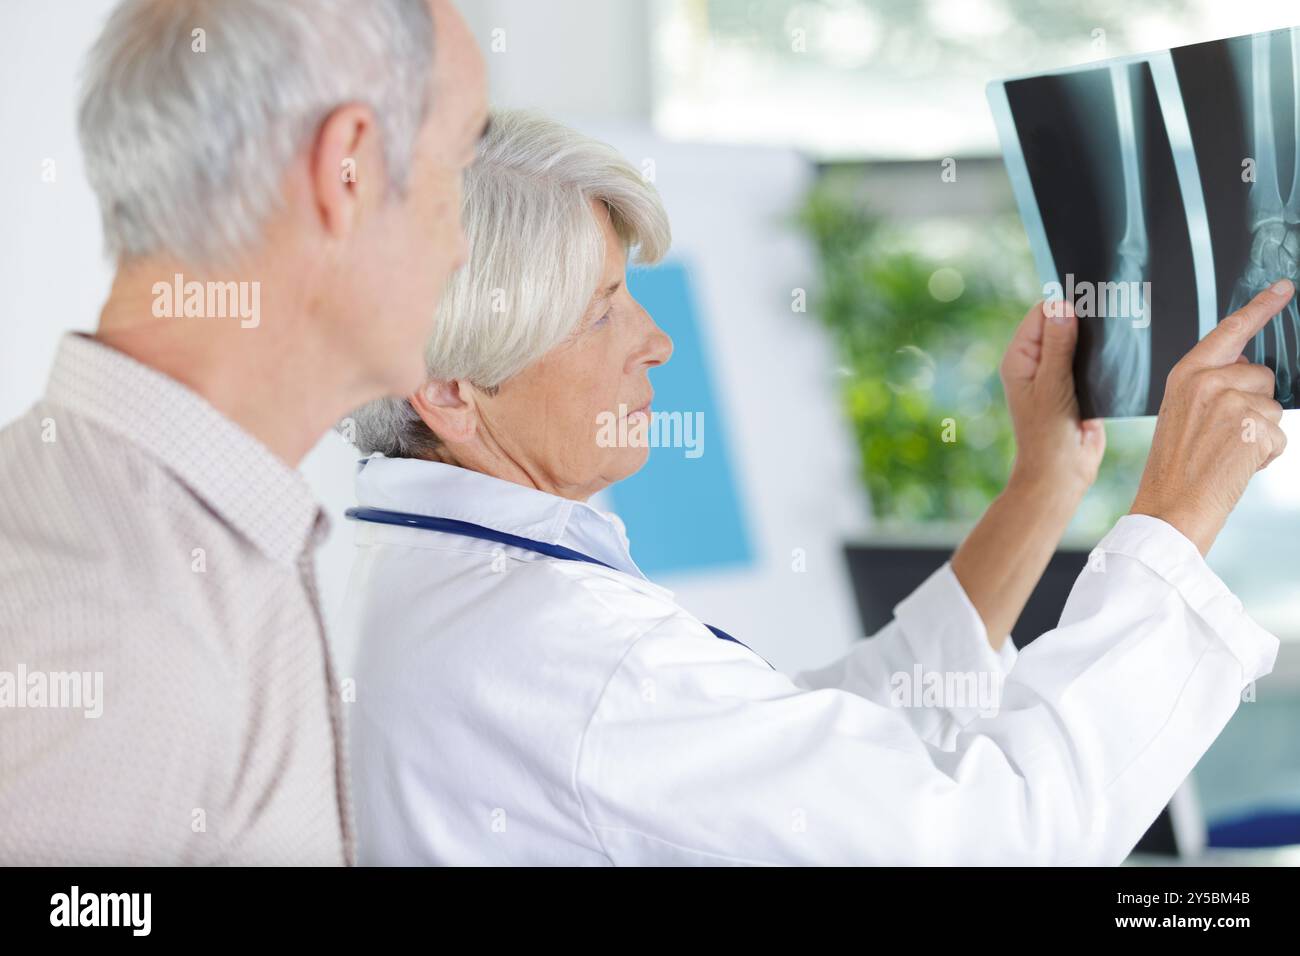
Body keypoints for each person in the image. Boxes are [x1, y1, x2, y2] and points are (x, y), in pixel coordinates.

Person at [343, 109, 1289, 865]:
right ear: (450, 392)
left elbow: (799, 747)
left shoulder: (403, 573)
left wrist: (1045, 483)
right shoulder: (569, 654)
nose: (656, 342)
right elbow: (995, 841)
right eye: (600, 314)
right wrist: (1177, 515)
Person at [0, 0, 488, 864]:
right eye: (455, 170)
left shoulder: (153, 531)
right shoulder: (121, 630)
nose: (459, 248)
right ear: (348, 170)